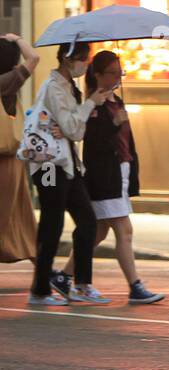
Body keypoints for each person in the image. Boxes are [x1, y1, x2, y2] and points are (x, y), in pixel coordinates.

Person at [56, 51, 163, 304]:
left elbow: (127, 143)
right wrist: (113, 123)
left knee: (98, 232)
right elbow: (91, 143)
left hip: (121, 171)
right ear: (98, 75)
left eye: (120, 72)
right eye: (112, 73)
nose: (117, 77)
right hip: (104, 176)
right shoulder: (93, 104)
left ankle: (63, 276)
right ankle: (135, 286)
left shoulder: (116, 100)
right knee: (124, 230)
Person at [27, 42, 115, 306]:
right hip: (48, 166)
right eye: (83, 59)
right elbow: (73, 128)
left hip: (67, 163)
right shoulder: (53, 88)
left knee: (87, 220)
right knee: (52, 226)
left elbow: (75, 132)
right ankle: (40, 290)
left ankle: (82, 284)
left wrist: (75, 119)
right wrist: (88, 105)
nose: (85, 65)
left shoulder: (70, 88)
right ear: (68, 59)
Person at [0, 34, 42, 266]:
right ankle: (42, 266)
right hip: (7, 161)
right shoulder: (8, 80)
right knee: (17, 213)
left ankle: (42, 266)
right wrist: (17, 39)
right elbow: (34, 58)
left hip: (8, 159)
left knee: (18, 212)